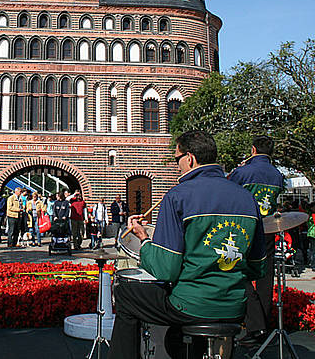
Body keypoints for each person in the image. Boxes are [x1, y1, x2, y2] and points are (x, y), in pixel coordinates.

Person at [108, 130, 266, 359]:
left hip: (192, 305)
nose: (177, 166)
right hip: (234, 306)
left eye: (177, 159)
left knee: (125, 294)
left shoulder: (178, 196)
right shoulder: (247, 198)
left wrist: (144, 239)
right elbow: (257, 266)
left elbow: (166, 269)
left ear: (189, 158)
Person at [227, 135, 284, 345]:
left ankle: (255, 324)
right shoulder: (277, 174)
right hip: (269, 228)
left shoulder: (243, 172)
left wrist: (238, 170)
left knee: (238, 272)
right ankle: (263, 325)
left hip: (246, 228)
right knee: (265, 276)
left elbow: (228, 190)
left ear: (253, 149)